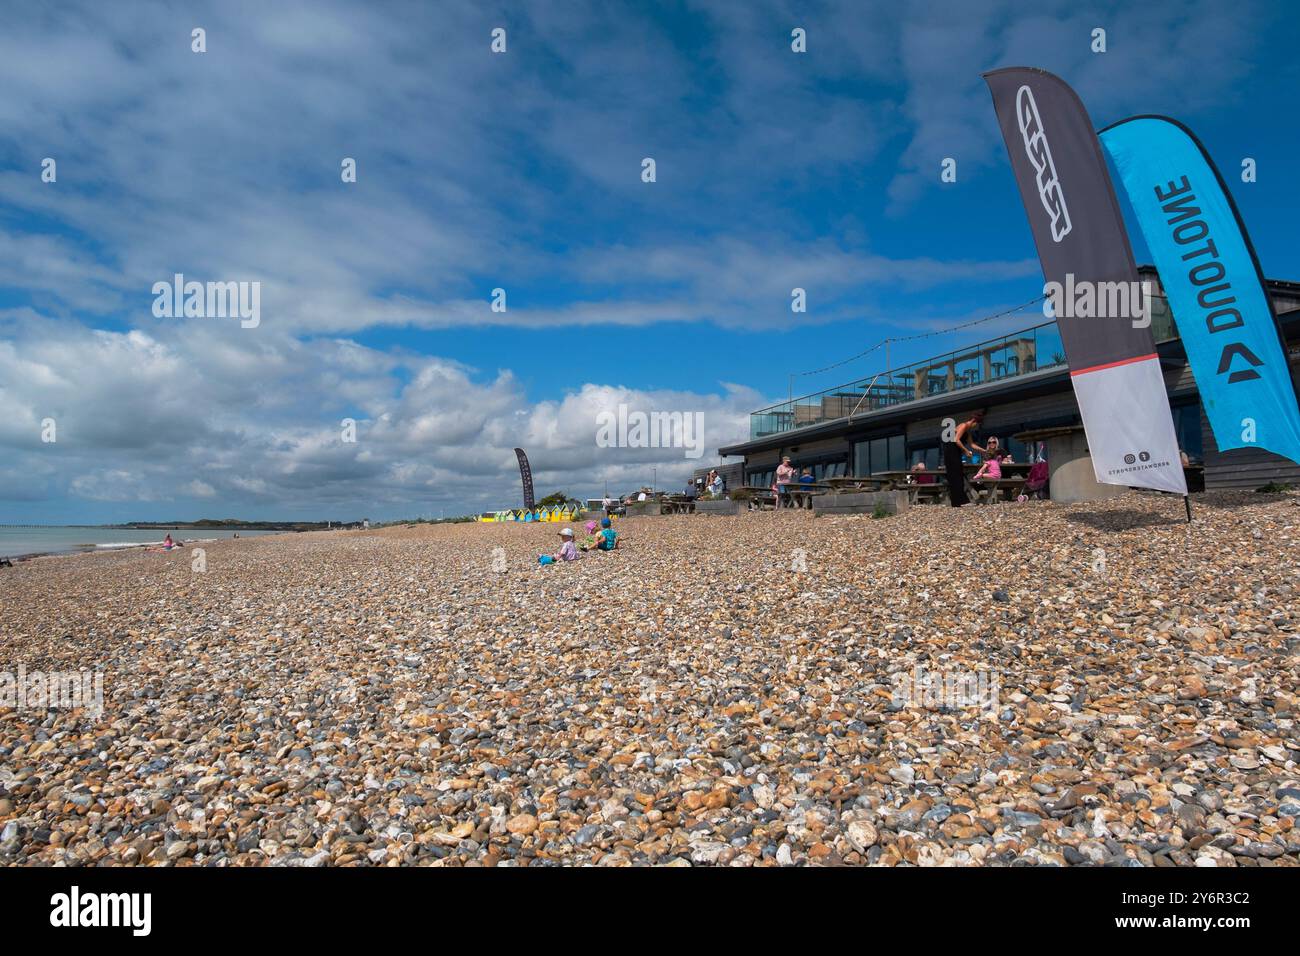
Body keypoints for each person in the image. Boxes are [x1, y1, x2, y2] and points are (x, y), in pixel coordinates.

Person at [944, 412, 987, 507]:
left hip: (956, 453)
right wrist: (966, 451)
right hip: (951, 452)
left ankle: (959, 501)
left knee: (959, 474)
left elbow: (972, 445)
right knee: (955, 475)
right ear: (973, 421)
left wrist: (983, 450)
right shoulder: (963, 425)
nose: (976, 426)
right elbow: (956, 439)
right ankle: (959, 501)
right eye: (977, 424)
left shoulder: (967, 432)